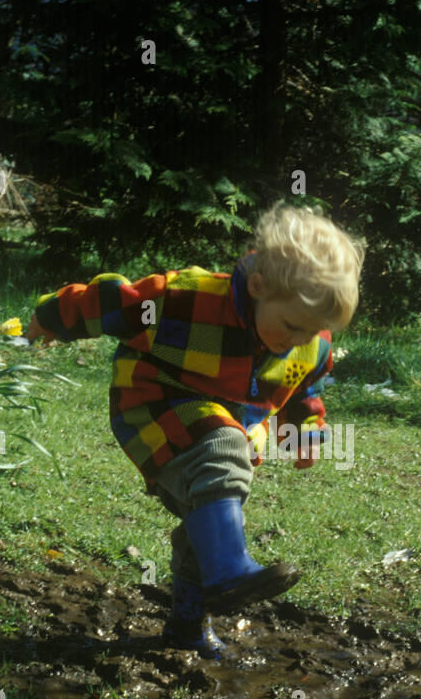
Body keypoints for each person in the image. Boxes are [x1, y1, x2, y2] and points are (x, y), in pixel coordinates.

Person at [25, 203, 364, 660]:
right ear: (259, 286)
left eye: (315, 331)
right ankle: (230, 570)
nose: (300, 340)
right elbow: (114, 304)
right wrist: (53, 316)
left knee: (203, 524)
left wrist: (304, 429)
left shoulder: (309, 342)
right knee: (220, 447)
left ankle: (188, 625)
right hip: (153, 405)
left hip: (229, 436)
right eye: (292, 326)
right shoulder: (186, 301)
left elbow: (304, 387)